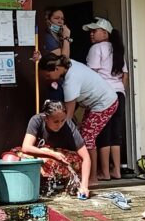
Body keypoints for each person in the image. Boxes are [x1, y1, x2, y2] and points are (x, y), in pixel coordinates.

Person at [38, 53, 117, 186]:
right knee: (84, 135)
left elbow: (67, 117)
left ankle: (92, 178)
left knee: (86, 138)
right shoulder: (66, 65)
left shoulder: (71, 81)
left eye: (47, 75)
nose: (47, 79)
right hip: (96, 103)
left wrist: (59, 132)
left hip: (104, 103)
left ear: (56, 69)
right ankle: (88, 174)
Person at [13, 100, 91, 198]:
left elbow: (86, 158)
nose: (60, 124)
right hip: (43, 157)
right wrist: (52, 154)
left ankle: (65, 183)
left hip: (62, 160)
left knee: (74, 161)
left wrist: (84, 186)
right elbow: (26, 147)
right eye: (56, 121)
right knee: (16, 155)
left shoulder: (69, 126)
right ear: (46, 118)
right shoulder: (37, 120)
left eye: (63, 120)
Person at [83, 17, 128, 180]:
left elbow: (92, 75)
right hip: (119, 94)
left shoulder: (96, 48)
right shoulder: (117, 49)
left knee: (103, 134)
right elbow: (125, 75)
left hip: (103, 96)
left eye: (94, 31)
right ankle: (117, 170)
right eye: (90, 32)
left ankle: (105, 172)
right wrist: (120, 90)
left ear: (105, 33)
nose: (91, 34)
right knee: (116, 134)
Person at [39, 7, 73, 102]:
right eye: (56, 18)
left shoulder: (57, 37)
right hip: (54, 80)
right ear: (48, 20)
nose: (60, 21)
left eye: (62, 19)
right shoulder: (49, 37)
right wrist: (66, 37)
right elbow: (64, 60)